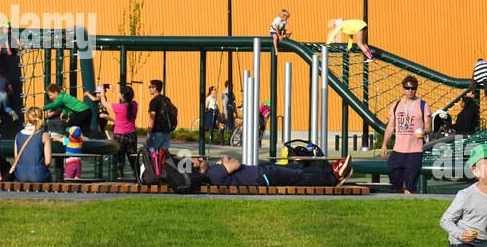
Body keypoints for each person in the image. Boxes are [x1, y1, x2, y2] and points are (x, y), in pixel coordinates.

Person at [380, 75, 431, 194]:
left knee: (410, 187)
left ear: (416, 89)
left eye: (413, 88)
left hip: (414, 151)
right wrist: (384, 145)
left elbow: (428, 126)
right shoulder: (396, 105)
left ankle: (407, 203)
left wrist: (424, 132)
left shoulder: (423, 105)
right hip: (398, 150)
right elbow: (390, 127)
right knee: (393, 174)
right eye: (407, 88)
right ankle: (400, 194)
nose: (410, 91)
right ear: (403, 89)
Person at [193, 154, 352, 188]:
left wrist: (224, 161)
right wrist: (225, 159)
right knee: (298, 176)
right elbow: (234, 162)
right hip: (262, 176)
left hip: (262, 172)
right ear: (199, 171)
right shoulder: (213, 174)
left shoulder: (214, 171)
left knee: (297, 168)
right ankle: (333, 177)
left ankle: (333, 168)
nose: (201, 159)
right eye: (199, 161)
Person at [99, 84, 140, 179]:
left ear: (123, 96)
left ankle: (120, 177)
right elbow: (126, 99)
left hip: (119, 135)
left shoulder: (118, 107)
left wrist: (102, 93)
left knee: (119, 158)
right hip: (132, 134)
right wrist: (114, 90)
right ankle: (137, 177)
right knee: (133, 156)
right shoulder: (134, 104)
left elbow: (104, 103)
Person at [12, 109, 53, 183]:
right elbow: (48, 162)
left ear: (27, 118)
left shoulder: (18, 135)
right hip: (39, 175)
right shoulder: (44, 135)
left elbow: (16, 158)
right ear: (41, 117)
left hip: (20, 176)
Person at [145, 78, 177, 151]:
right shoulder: (166, 99)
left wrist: (148, 134)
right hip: (167, 132)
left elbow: (151, 119)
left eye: (151, 87)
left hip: (157, 132)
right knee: (164, 155)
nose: (149, 89)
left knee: (151, 154)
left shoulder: (154, 101)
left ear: (155, 88)